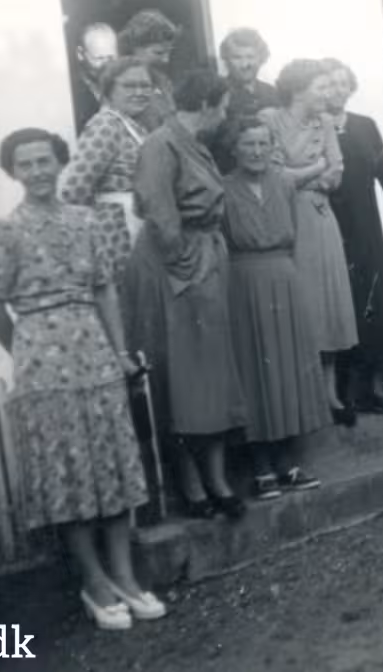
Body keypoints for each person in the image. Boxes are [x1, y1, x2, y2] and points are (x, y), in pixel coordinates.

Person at [0, 128, 165, 631]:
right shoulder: (4, 231)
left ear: (61, 163)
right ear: (13, 172)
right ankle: (94, 582)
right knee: (72, 476)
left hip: (96, 357)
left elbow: (104, 290)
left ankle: (125, 576)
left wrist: (119, 352)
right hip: (43, 368)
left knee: (111, 468)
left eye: (45, 160)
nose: (38, 171)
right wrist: (27, 349)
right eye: (26, 164)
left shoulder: (87, 221)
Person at [126, 69, 248, 520]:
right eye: (225, 104)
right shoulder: (161, 143)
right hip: (174, 267)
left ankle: (215, 479)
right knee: (182, 375)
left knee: (210, 374)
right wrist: (184, 271)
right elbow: (159, 212)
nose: (226, 114)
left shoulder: (194, 143)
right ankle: (191, 484)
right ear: (208, 104)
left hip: (203, 257)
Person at [222, 118, 327, 498]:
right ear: (235, 148)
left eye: (263, 143)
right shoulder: (223, 188)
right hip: (243, 281)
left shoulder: (284, 182)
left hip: (284, 277)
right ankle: (261, 468)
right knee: (254, 370)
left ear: (272, 147)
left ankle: (290, 463)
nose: (255, 151)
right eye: (247, 144)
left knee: (287, 368)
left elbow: (297, 233)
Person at [259, 60, 359, 426]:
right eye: (320, 88)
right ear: (299, 89)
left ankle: (329, 392)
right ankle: (304, 393)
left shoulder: (327, 123)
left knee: (328, 304)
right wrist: (315, 169)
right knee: (302, 303)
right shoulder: (270, 119)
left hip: (320, 218)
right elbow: (275, 176)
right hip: (289, 220)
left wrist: (311, 175)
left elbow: (337, 175)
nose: (328, 94)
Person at [324, 58, 383, 415]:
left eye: (341, 83)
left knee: (372, 305)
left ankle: (367, 390)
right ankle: (338, 394)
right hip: (329, 229)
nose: (336, 90)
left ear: (350, 87)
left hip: (365, 229)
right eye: (328, 84)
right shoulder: (313, 127)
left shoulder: (365, 127)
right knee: (339, 306)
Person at [61, 57, 154, 284]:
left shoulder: (134, 125)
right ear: (110, 88)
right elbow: (74, 188)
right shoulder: (106, 125)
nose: (139, 92)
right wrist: (94, 232)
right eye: (130, 86)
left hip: (139, 224)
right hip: (118, 230)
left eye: (145, 85)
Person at [215, 28, 280, 173]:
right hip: (231, 174)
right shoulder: (217, 94)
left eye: (251, 57)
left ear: (261, 58)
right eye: (237, 57)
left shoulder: (273, 93)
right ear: (226, 60)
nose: (245, 64)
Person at [118, 9, 179, 133]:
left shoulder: (163, 81)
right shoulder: (120, 87)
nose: (166, 60)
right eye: (159, 53)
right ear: (134, 48)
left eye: (169, 52)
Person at [70, 22, 118, 134]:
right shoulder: (73, 95)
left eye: (111, 58)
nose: (107, 65)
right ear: (80, 54)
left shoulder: (123, 85)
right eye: (99, 59)